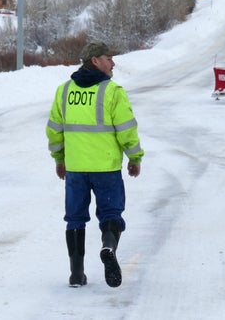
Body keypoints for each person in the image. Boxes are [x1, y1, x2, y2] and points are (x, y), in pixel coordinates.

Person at [46, 41, 143, 288]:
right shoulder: (112, 91)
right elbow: (126, 130)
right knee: (111, 214)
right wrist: (134, 157)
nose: (113, 63)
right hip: (106, 169)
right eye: (108, 58)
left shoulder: (64, 91)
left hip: (75, 169)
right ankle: (108, 247)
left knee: (75, 219)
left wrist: (59, 159)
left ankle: (76, 274)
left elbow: (54, 130)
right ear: (95, 61)